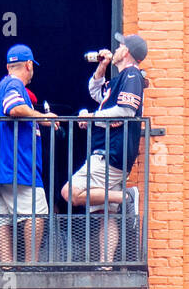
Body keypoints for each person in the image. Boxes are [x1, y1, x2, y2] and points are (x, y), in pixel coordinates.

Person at [63, 33, 148, 265]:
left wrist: (91, 118)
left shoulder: (131, 74)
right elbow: (95, 91)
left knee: (69, 193)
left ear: (127, 52)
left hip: (110, 152)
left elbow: (125, 111)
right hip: (113, 154)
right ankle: (106, 264)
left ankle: (127, 197)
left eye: (121, 45)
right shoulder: (119, 79)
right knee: (105, 213)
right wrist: (103, 65)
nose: (117, 47)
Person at [0, 44, 55, 265]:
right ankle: (31, 266)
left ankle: (7, 267)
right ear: (28, 65)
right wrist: (42, 117)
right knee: (37, 212)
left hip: (2, 165)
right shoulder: (14, 83)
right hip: (18, 164)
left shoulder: (1, 86)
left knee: (4, 218)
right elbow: (14, 109)